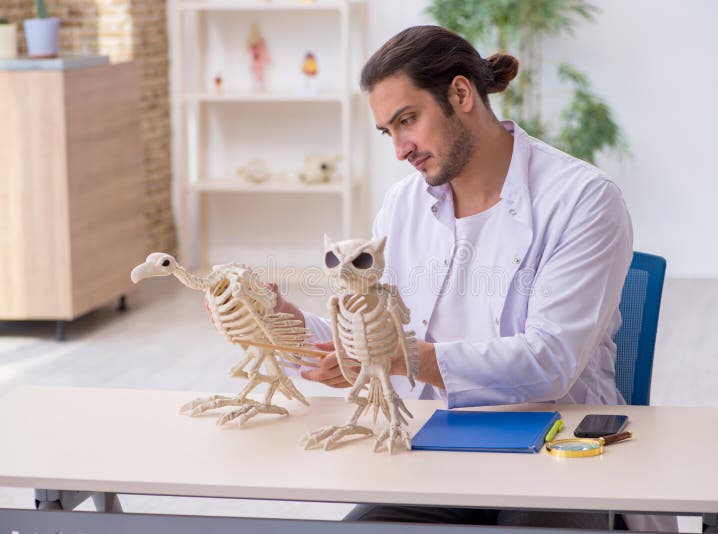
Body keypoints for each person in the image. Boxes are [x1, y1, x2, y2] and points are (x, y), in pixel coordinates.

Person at [271, 25, 676, 532]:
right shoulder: (403, 206)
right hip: (438, 449)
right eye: (387, 131)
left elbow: (551, 362)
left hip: (558, 450)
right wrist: (285, 325)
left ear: (461, 94)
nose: (399, 149)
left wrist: (400, 357)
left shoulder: (582, 200)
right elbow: (372, 332)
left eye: (407, 121)